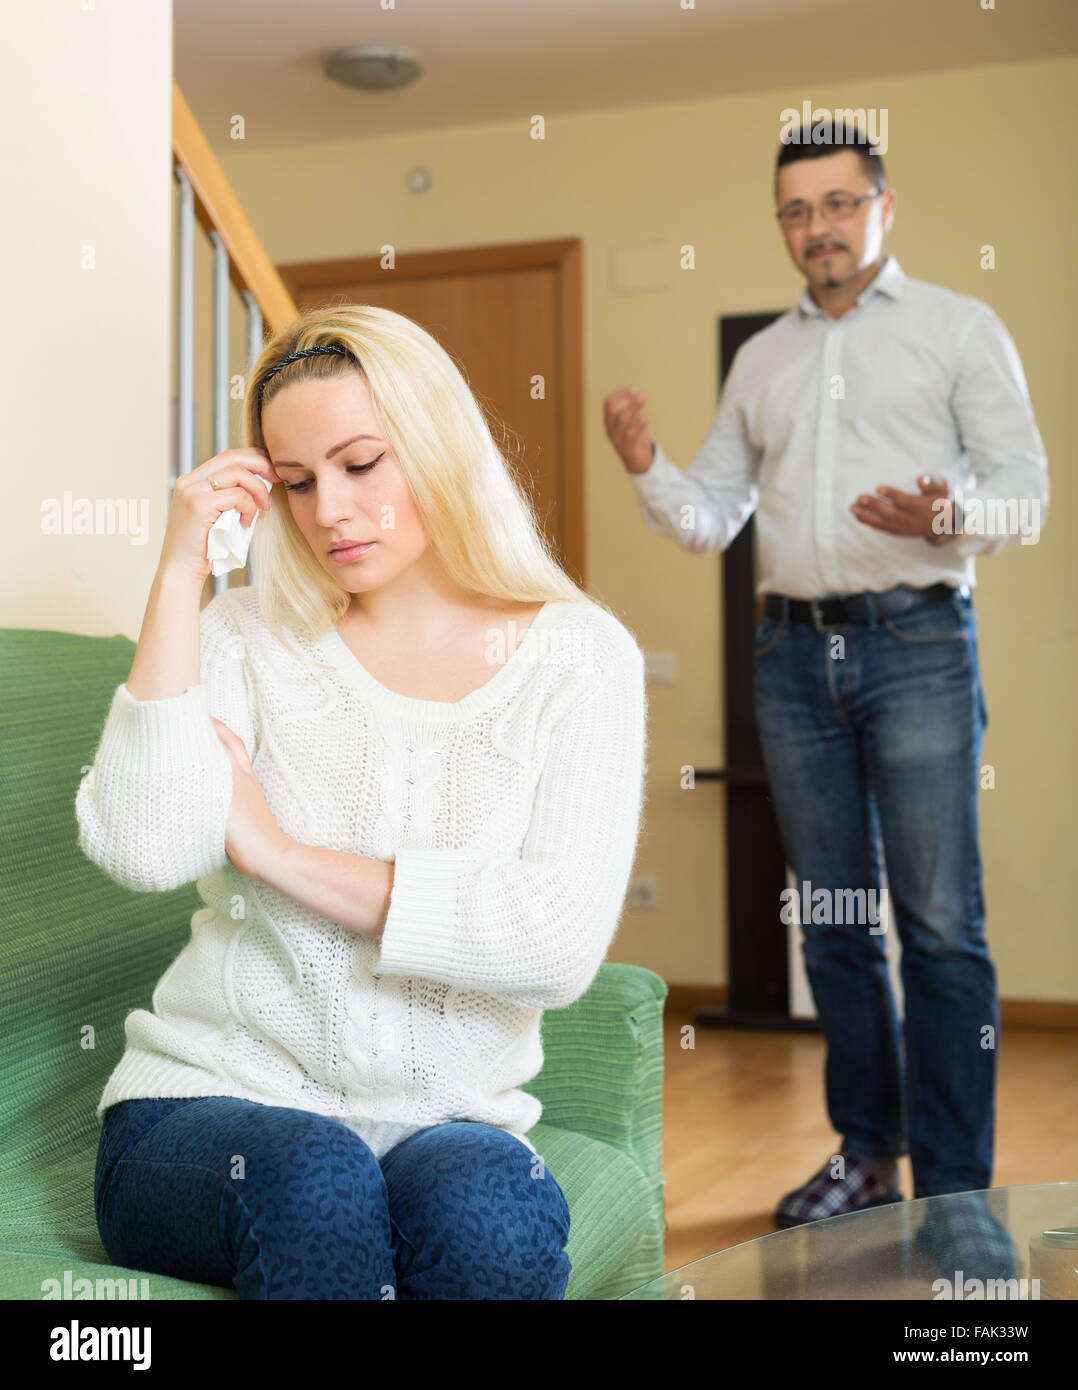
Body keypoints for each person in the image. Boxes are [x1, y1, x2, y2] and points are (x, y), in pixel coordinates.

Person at [78, 304, 648, 1300]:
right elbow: (143, 847)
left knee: (492, 1225)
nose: (328, 511)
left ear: (435, 446)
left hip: (446, 1119)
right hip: (205, 1106)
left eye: (360, 464)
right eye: (294, 483)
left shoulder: (580, 655)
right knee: (314, 1176)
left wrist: (276, 851)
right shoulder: (246, 633)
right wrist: (179, 569)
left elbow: (551, 945)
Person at [603, 120, 1048, 1236]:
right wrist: (647, 467)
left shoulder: (959, 329)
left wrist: (953, 515)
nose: (818, 229)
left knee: (940, 926)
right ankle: (866, 1157)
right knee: (836, 923)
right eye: (797, 211)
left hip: (917, 646)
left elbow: (1025, 494)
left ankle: (953, 1192)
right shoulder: (762, 359)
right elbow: (712, 520)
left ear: (883, 208)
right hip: (791, 655)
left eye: (839, 204)